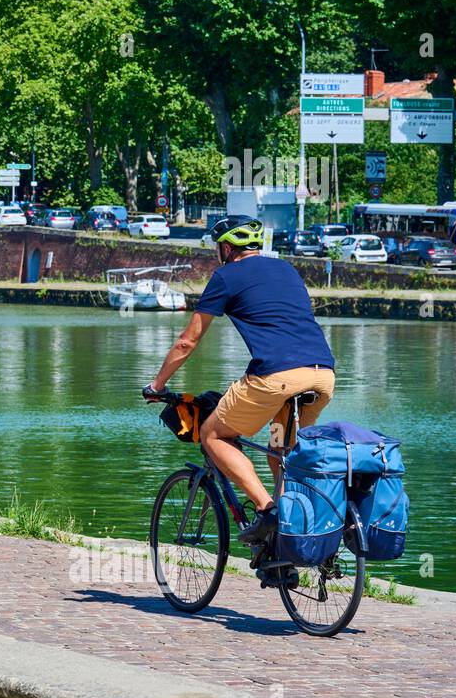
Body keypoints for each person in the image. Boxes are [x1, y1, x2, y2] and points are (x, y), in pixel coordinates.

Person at [143, 215, 336, 547]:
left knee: (213, 434)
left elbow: (188, 341)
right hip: (321, 377)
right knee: (279, 448)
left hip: (275, 378)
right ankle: (290, 536)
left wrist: (157, 385)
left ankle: (268, 509)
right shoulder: (287, 269)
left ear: (227, 247)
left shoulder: (226, 275)